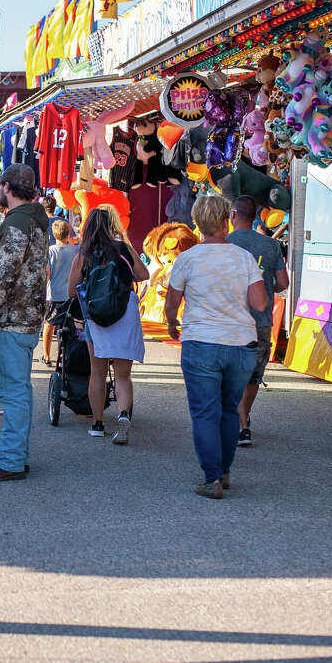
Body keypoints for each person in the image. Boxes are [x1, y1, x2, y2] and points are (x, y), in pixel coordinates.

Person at [165, 194, 267, 499]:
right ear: (227, 221)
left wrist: (172, 324)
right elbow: (260, 303)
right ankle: (224, 471)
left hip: (201, 343)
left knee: (204, 412)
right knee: (228, 411)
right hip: (240, 344)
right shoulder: (244, 258)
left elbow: (171, 304)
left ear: (198, 223)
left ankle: (212, 478)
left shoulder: (187, 259)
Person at [0, 164, 49, 482]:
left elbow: (1, 273)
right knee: (20, 390)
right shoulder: (37, 219)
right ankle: (15, 454)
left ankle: (12, 460)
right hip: (26, 315)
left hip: (10, 318)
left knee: (13, 391)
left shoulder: (18, 222)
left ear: (5, 187)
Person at [67, 205, 149, 445]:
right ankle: (123, 415)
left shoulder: (85, 252)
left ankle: (97, 424)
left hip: (96, 316)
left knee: (98, 372)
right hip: (125, 313)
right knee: (123, 375)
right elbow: (143, 275)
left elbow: (71, 290)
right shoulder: (123, 248)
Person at [226, 195, 289, 447]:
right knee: (252, 375)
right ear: (255, 217)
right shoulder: (270, 246)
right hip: (260, 321)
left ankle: (239, 423)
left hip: (229, 320)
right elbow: (283, 283)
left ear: (232, 215)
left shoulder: (223, 244)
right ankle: (244, 420)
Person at [41, 219, 77, 364]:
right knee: (68, 326)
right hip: (71, 295)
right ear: (68, 233)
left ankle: (47, 355)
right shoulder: (75, 250)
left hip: (54, 294)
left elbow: (47, 272)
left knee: (49, 325)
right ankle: (64, 356)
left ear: (54, 235)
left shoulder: (50, 251)